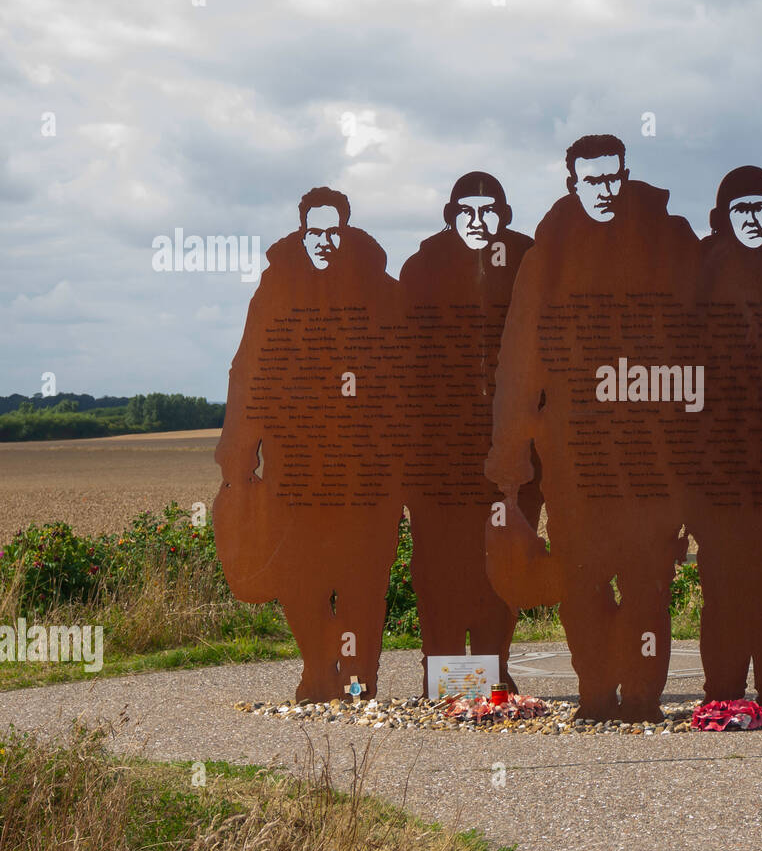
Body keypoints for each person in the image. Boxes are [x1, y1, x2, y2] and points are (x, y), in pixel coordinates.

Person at [485, 134, 698, 723]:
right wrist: (511, 452)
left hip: (652, 448)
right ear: (571, 182)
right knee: (583, 578)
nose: (605, 190)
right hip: (576, 450)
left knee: (648, 579)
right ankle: (598, 693)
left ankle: (643, 699)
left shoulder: (669, 241)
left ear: (625, 175)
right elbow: (520, 358)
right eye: (591, 180)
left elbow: (703, 338)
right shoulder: (549, 254)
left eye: (613, 178)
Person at [215, 187, 404, 702]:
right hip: (295, 464)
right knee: (302, 577)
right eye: (314, 232)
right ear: (302, 232)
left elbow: (407, 376)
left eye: (333, 231)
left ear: (346, 230)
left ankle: (359, 676)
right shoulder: (275, 291)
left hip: (369, 469)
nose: (324, 241)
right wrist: (238, 453)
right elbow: (246, 371)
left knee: (364, 578)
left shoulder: (382, 291)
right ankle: (320, 669)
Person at [398, 172, 542, 696]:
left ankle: (490, 672)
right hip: (438, 454)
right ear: (450, 215)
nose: (479, 223)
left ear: (504, 214)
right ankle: (445, 676)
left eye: (490, 211)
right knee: (440, 563)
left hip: (513, 453)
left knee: (500, 566)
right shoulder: (422, 270)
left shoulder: (527, 262)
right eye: (468, 211)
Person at [692, 165, 762, 718]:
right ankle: (723, 695)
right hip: (721, 468)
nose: (755, 220)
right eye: (742, 210)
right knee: (724, 588)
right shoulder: (703, 275)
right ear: (723, 218)